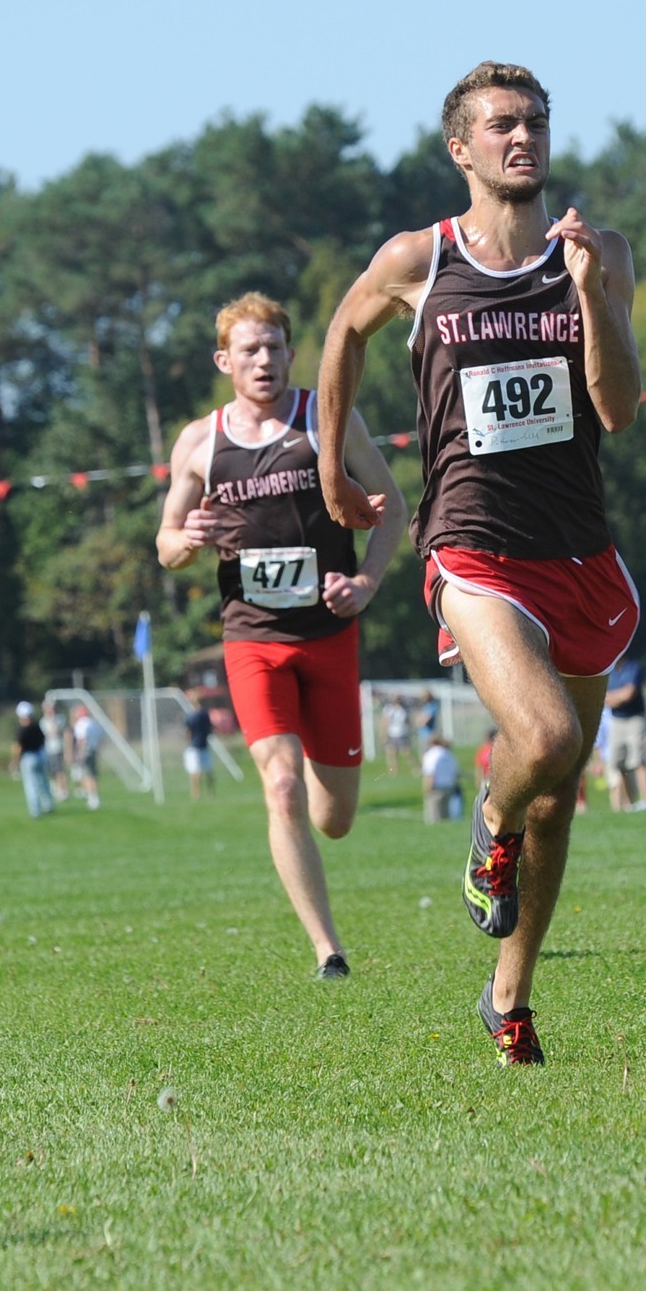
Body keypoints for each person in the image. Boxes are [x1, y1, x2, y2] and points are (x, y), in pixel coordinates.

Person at [317, 61, 641, 1064]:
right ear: (460, 147)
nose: (523, 137)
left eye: (535, 122)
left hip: (578, 548)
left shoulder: (598, 253)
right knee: (538, 738)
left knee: (558, 790)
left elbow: (619, 406)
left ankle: (509, 994)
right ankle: (484, 825)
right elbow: (340, 335)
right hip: (470, 543)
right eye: (501, 124)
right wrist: (331, 471)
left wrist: (592, 300)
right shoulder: (421, 258)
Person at [157, 290, 405, 980]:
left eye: (274, 348)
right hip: (253, 638)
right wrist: (187, 537)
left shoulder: (328, 420)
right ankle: (328, 948)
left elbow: (393, 510)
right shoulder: (200, 442)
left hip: (328, 637)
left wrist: (366, 585)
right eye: (249, 351)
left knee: (334, 817)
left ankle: (327, 895)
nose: (263, 361)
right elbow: (166, 543)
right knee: (282, 787)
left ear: (293, 355)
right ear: (223, 362)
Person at [603, 650, 646, 812]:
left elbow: (629, 694)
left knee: (637, 761)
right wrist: (617, 697)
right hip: (617, 721)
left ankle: (645, 801)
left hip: (635, 719)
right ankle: (630, 803)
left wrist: (612, 697)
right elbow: (603, 697)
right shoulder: (609, 671)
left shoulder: (633, 667)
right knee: (618, 763)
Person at [11, 701, 55, 818]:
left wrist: (15, 762)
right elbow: (43, 740)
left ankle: (35, 810)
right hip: (40, 755)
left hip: (28, 757)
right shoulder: (37, 727)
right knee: (43, 781)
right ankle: (48, 805)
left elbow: (18, 747)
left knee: (31, 784)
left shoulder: (22, 730)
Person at [422, 735, 463, 823]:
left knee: (434, 818)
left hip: (436, 788)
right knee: (446, 817)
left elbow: (430, 773)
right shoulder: (449, 754)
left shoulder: (431, 755)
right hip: (449, 787)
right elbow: (455, 772)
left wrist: (427, 788)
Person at [71, 706, 103, 810]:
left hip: (85, 751)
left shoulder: (81, 724)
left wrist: (77, 753)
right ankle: (94, 796)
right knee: (92, 775)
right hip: (93, 750)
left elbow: (82, 739)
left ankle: (92, 798)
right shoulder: (93, 723)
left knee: (87, 775)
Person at [183, 700, 215, 800]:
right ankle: (211, 792)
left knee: (195, 771)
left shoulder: (192, 716)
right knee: (209, 770)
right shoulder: (206, 715)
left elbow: (187, 732)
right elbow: (211, 729)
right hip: (204, 745)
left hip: (194, 746)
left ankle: (196, 793)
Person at [41, 704, 69, 803]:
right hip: (48, 749)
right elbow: (45, 734)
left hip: (57, 748)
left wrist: (52, 720)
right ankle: (56, 789)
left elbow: (55, 731)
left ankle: (63, 791)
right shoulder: (43, 721)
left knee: (60, 771)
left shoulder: (59, 719)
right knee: (51, 771)